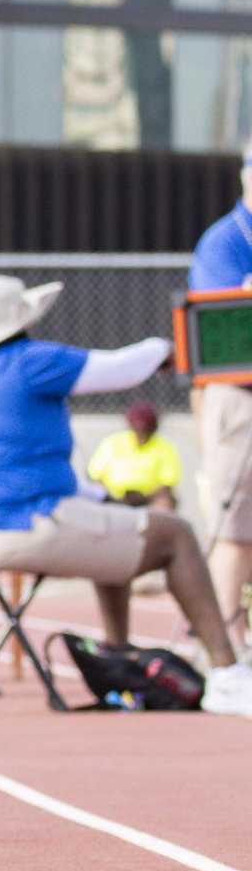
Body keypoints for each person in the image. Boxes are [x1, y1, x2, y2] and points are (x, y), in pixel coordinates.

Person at [0, 274, 252, 715]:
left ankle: (116, 653)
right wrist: (167, 348)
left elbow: (15, 464)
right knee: (175, 534)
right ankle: (227, 673)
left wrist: (101, 499)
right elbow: (118, 369)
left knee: (118, 526)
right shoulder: (27, 360)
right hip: (20, 525)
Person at [187, 153, 252, 627]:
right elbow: (224, 326)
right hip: (240, 400)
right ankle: (227, 654)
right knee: (235, 532)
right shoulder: (225, 242)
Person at [88, 402, 181, 512]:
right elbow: (95, 476)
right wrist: (110, 495)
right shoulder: (112, 443)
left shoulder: (164, 447)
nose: (141, 434)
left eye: (146, 431)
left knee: (165, 502)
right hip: (113, 498)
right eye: (138, 430)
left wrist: (145, 497)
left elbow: (167, 484)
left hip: (149, 499)